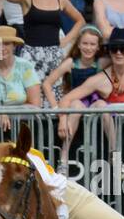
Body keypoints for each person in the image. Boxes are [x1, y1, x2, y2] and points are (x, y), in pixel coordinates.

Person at [58, 27, 124, 160]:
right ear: (109, 52)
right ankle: (64, 161)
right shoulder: (100, 79)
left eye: (123, 49)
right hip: (118, 139)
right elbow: (67, 98)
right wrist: (63, 120)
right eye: (113, 49)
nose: (118, 53)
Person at [0, 0, 84, 85]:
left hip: (54, 54)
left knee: (54, 94)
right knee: (32, 96)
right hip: (31, 54)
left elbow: (80, 21)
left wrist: (66, 40)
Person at [44, 25, 109, 165]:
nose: (88, 47)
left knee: (104, 106)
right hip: (75, 100)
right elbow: (47, 84)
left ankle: (114, 150)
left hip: (94, 101)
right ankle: (64, 155)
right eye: (85, 43)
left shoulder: (101, 63)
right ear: (78, 44)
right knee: (76, 106)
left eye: (93, 44)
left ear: (98, 47)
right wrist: (57, 109)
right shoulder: (71, 63)